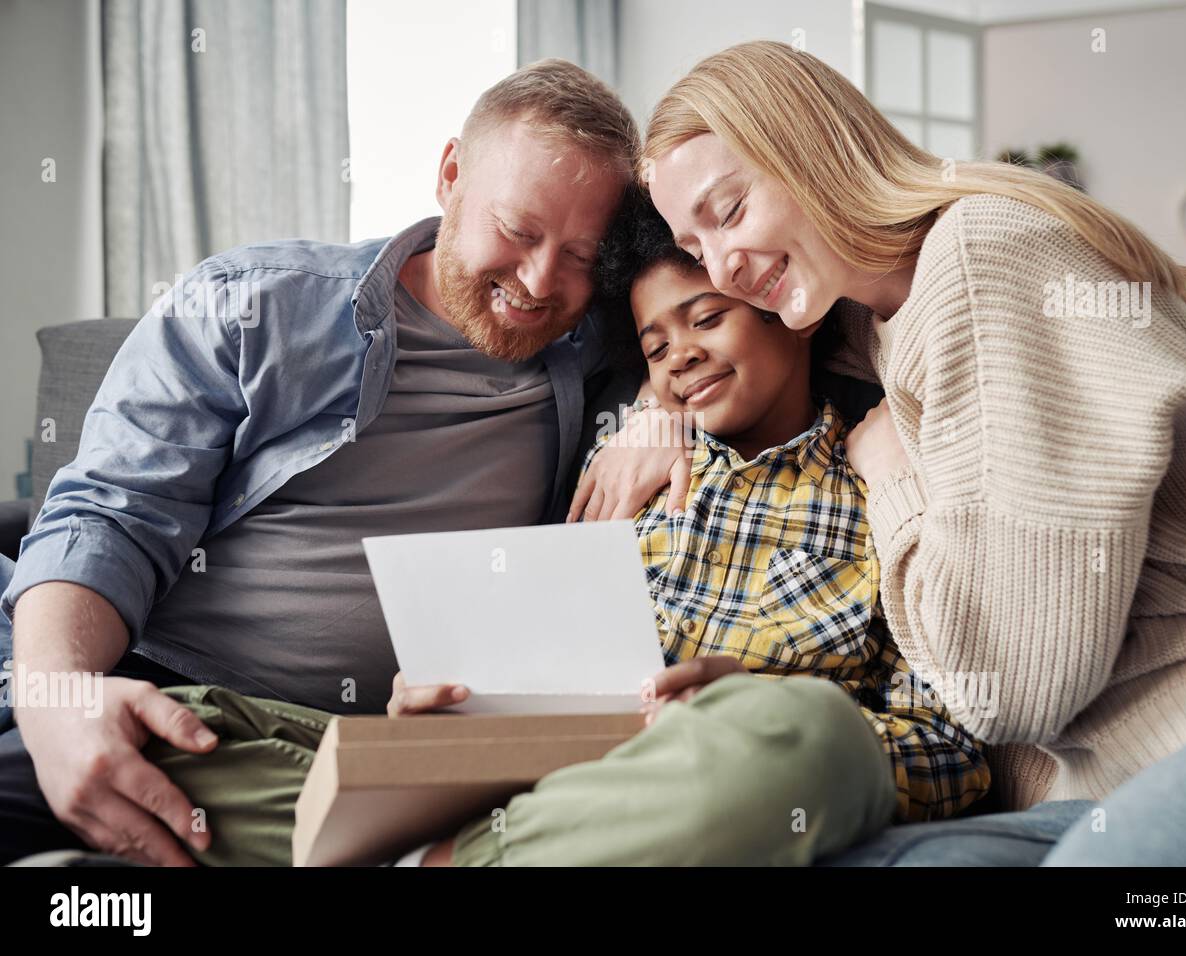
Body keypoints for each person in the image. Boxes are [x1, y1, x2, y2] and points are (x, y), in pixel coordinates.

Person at [20, 192, 986, 868]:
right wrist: (443, 714)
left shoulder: (876, 488)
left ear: (791, 311)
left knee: (807, 741)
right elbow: (519, 687)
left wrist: (746, 706)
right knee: (169, 728)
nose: (682, 355)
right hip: (511, 779)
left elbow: (954, 750)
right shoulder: (619, 470)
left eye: (710, 319)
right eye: (657, 345)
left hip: (690, 784)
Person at [586, 39, 1186, 865]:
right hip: (1098, 780)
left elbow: (1016, 691)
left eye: (731, 211)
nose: (726, 267)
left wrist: (890, 477)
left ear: (810, 152)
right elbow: (722, 348)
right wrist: (656, 408)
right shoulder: (872, 311)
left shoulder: (981, 257)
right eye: (697, 246)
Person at [0, 58, 637, 866]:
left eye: (582, 255)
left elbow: (728, 322)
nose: (541, 281)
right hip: (154, 683)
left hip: (366, 753)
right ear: (451, 176)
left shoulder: (595, 347)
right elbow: (107, 517)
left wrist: (664, 415)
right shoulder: (252, 305)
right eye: (517, 231)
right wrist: (59, 703)